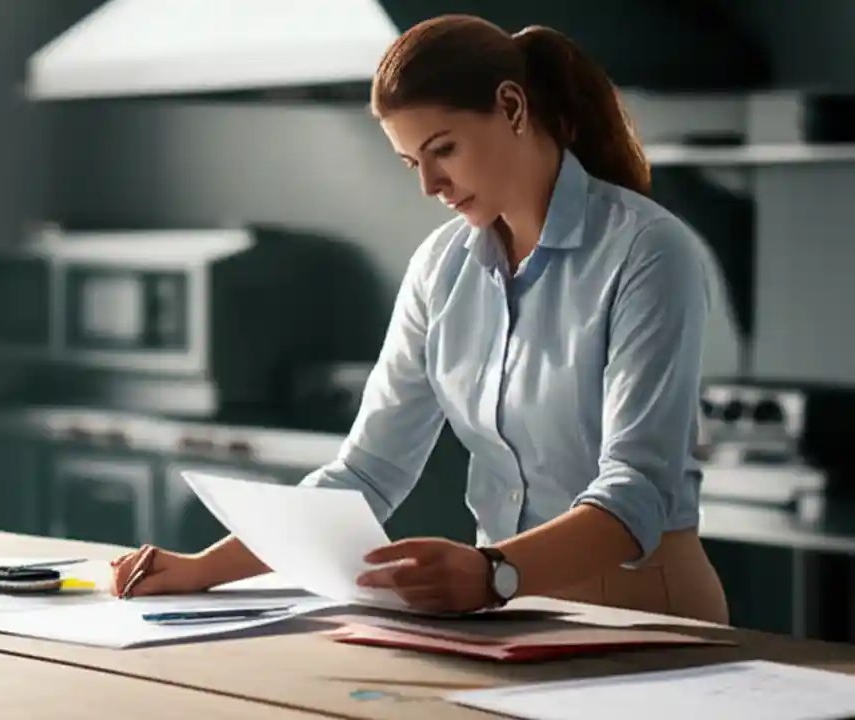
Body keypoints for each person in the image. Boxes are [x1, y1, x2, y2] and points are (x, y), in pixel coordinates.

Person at [109, 14, 729, 624]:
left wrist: (492, 572)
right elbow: (366, 471)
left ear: (512, 107)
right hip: (509, 609)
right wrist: (202, 570)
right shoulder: (442, 266)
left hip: (644, 610)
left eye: (444, 150)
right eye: (413, 163)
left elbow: (637, 490)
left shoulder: (647, 250)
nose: (431, 185)